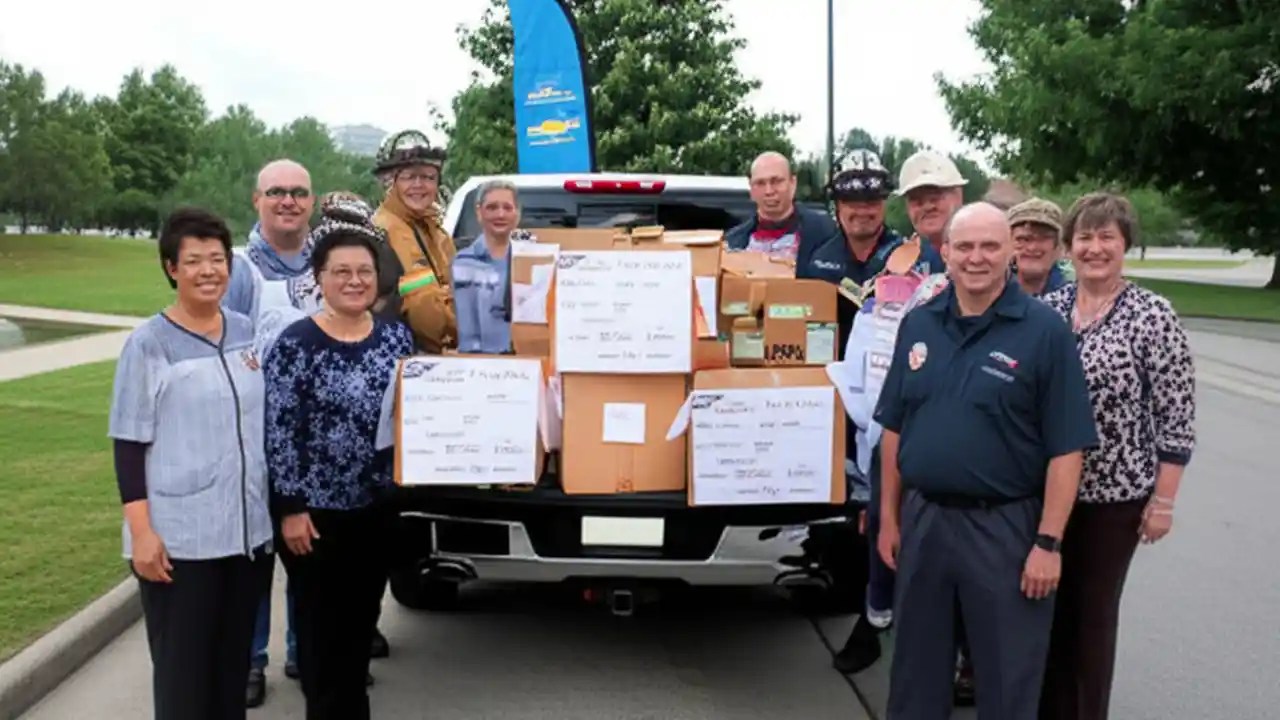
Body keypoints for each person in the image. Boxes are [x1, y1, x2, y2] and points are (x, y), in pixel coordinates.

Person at [875, 202, 1099, 719]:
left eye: (990, 246)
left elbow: (1067, 448)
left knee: (1007, 678)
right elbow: (894, 428)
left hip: (1005, 529)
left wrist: (1048, 542)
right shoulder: (918, 324)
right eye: (965, 247)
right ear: (945, 253)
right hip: (924, 522)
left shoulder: (1045, 333)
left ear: (1010, 254)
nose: (977, 258)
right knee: (915, 677)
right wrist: (890, 517)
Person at [108, 207, 273, 720]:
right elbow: (128, 444)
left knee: (230, 673)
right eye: (195, 260)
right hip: (181, 543)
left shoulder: (246, 332)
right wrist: (142, 535)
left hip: (245, 537)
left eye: (218, 259)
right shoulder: (149, 344)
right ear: (171, 268)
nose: (209, 270)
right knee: (184, 681)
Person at [1039, 192, 1197, 720]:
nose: (1095, 247)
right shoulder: (1049, 311)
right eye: (1084, 236)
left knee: (1092, 616)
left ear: (1126, 243)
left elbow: (1177, 415)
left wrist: (1164, 501)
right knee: (1047, 613)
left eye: (1107, 236)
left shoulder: (1152, 316)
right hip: (1046, 493)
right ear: (1069, 246)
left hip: (1114, 499)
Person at [796, 149, 942, 675]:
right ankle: (850, 596)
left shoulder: (911, 257)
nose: (862, 210)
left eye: (872, 200)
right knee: (844, 510)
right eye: (851, 200)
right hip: (835, 399)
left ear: (885, 204)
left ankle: (874, 622)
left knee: (885, 513)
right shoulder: (818, 256)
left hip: (894, 406)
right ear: (836, 206)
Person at [265, 219, 414, 720]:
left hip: (376, 508)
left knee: (359, 627)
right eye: (342, 271)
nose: (355, 281)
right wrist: (289, 508)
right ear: (319, 279)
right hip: (315, 518)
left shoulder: (396, 339)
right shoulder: (295, 344)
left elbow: (414, 415)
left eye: (364, 271)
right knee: (318, 636)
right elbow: (281, 432)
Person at [371, 129, 458, 354]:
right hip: (410, 353)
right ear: (391, 183)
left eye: (428, 177)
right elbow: (423, 307)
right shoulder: (386, 230)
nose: (419, 185)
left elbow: (460, 289)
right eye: (409, 177)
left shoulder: (436, 231)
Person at [727, 150, 838, 261]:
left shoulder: (826, 232)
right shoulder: (732, 242)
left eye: (776, 181)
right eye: (760, 183)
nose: (769, 191)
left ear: (793, 183)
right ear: (751, 189)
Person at [454, 179, 521, 354]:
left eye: (507, 208)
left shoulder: (531, 259)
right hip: (480, 366)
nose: (500, 215)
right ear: (479, 212)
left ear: (517, 213)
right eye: (492, 207)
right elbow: (466, 326)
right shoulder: (464, 262)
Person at [896, 150, 968, 255]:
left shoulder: (989, 248)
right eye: (917, 200)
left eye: (935, 197)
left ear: (958, 196)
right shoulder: (902, 261)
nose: (928, 207)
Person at [1008, 197, 1071, 297]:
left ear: (1058, 247)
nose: (1032, 247)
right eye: (1023, 239)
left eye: (1042, 238)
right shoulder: (989, 294)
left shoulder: (1073, 299)